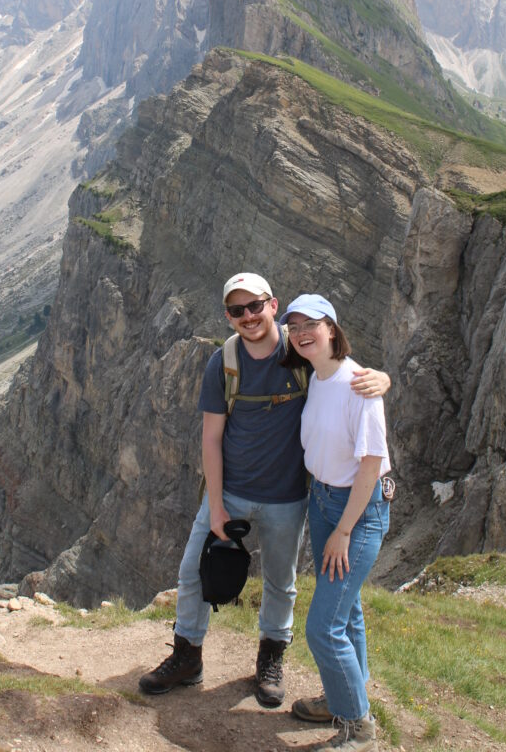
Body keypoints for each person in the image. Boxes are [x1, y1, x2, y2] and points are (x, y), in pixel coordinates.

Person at [139, 273, 390, 708]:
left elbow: (345, 373)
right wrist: (215, 506)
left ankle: (270, 662)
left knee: (280, 583)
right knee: (192, 573)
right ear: (228, 317)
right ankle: (187, 657)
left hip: (287, 497)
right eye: (237, 311)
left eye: (255, 306)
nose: (248, 317)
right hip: (231, 491)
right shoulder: (225, 361)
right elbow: (211, 439)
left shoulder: (301, 353)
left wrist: (382, 379)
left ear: (273, 305)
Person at [281, 293, 391, 752]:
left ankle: (357, 727)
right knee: (349, 610)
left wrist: (345, 531)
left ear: (332, 328)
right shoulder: (315, 375)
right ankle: (346, 694)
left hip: (357, 512)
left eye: (313, 323)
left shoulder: (357, 384)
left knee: (322, 627)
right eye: (295, 325)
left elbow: (371, 463)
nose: (303, 332)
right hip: (323, 500)